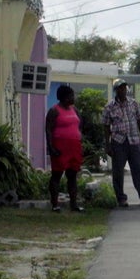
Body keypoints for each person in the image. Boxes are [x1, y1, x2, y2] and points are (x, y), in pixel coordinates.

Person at [102, 79, 140, 208]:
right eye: (120, 88)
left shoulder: (133, 103)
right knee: (118, 172)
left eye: (124, 88)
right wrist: (107, 145)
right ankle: (121, 198)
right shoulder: (109, 107)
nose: (123, 90)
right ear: (116, 91)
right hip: (118, 142)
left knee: (138, 170)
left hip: (134, 140)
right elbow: (106, 126)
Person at [45, 84, 85, 212]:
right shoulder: (54, 111)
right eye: (71, 96)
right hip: (60, 147)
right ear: (64, 97)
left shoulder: (75, 110)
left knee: (72, 175)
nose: (73, 98)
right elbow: (48, 130)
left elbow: (79, 126)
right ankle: (55, 204)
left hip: (74, 146)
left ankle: (74, 204)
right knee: (57, 175)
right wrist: (51, 147)